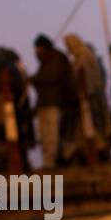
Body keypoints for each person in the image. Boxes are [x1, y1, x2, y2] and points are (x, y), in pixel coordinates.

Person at [31, 34, 74, 169]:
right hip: (45, 102)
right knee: (44, 133)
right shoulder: (46, 61)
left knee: (51, 132)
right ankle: (67, 151)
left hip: (54, 101)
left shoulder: (56, 59)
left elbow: (51, 76)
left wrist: (34, 79)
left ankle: (50, 161)